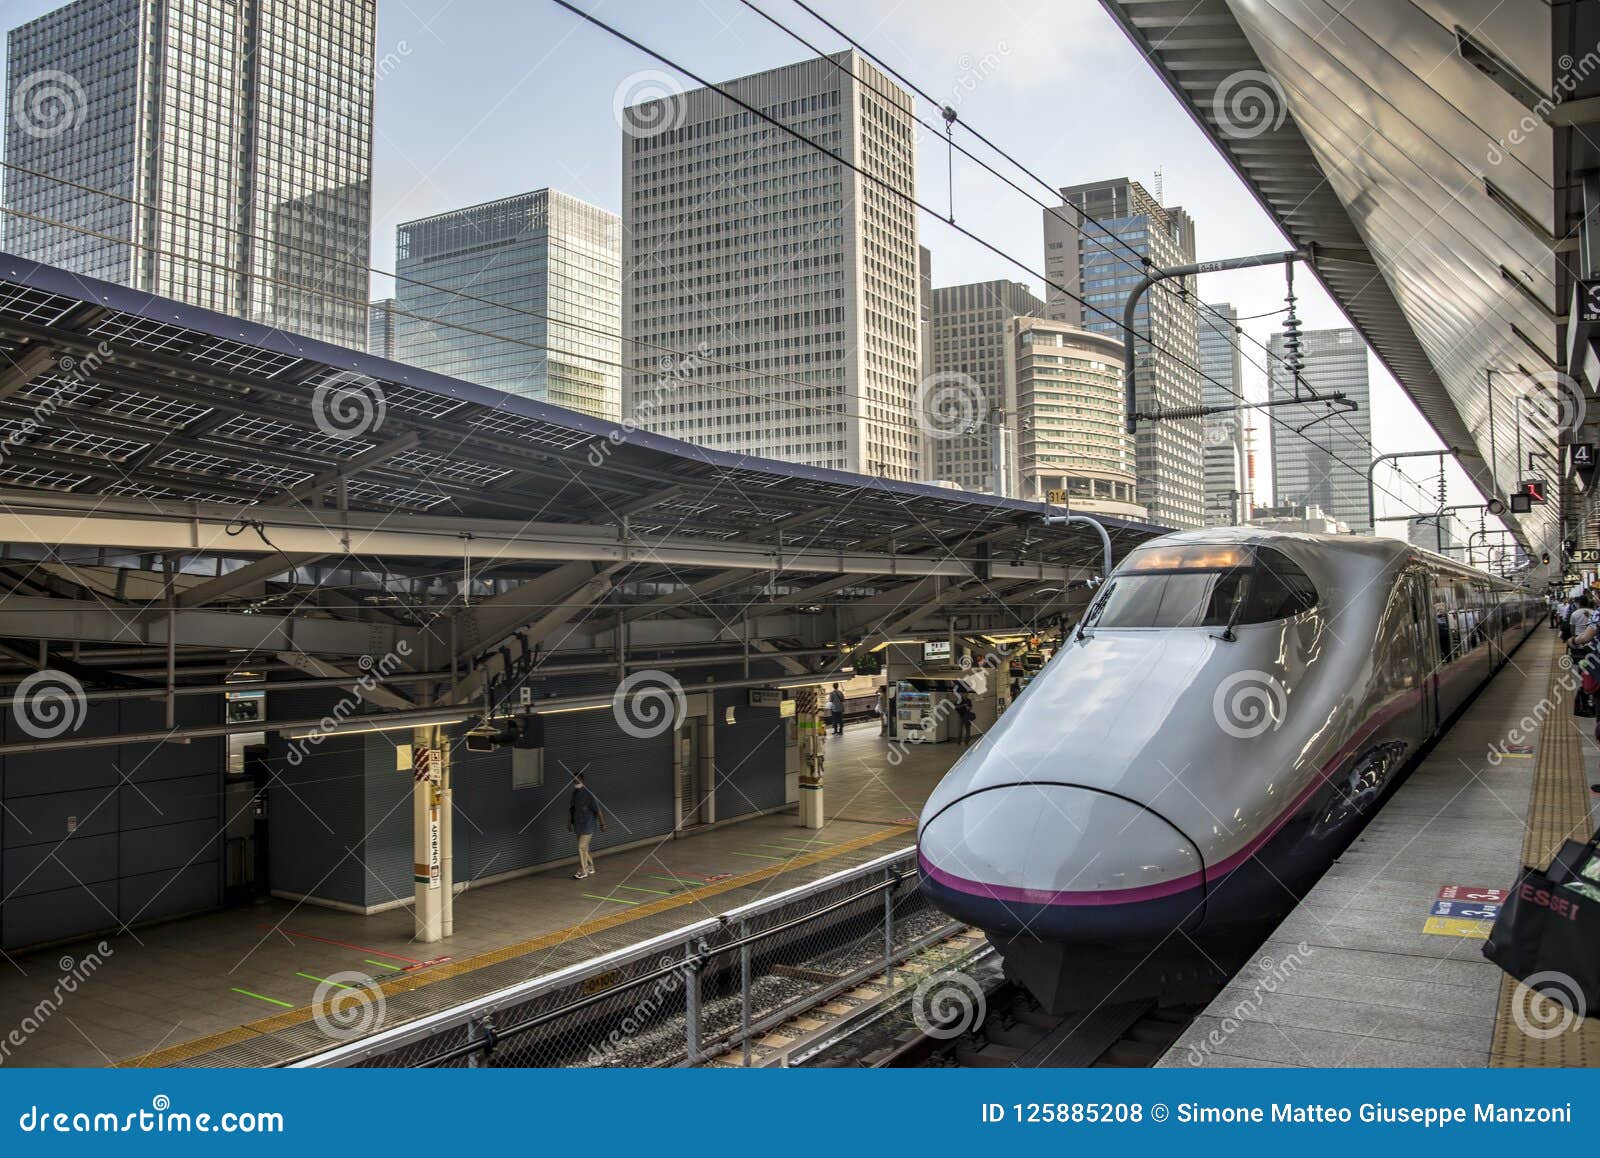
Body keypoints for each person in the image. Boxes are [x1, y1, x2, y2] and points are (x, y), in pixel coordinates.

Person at [567, 774, 605, 879]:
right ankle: (590, 867)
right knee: (584, 848)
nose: (575, 782)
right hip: (578, 825)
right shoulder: (575, 793)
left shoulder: (589, 795)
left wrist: (602, 824)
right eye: (573, 780)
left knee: (581, 847)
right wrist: (569, 822)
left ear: (582, 780)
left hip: (588, 826)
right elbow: (572, 809)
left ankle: (583, 871)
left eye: (577, 780)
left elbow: (598, 811)